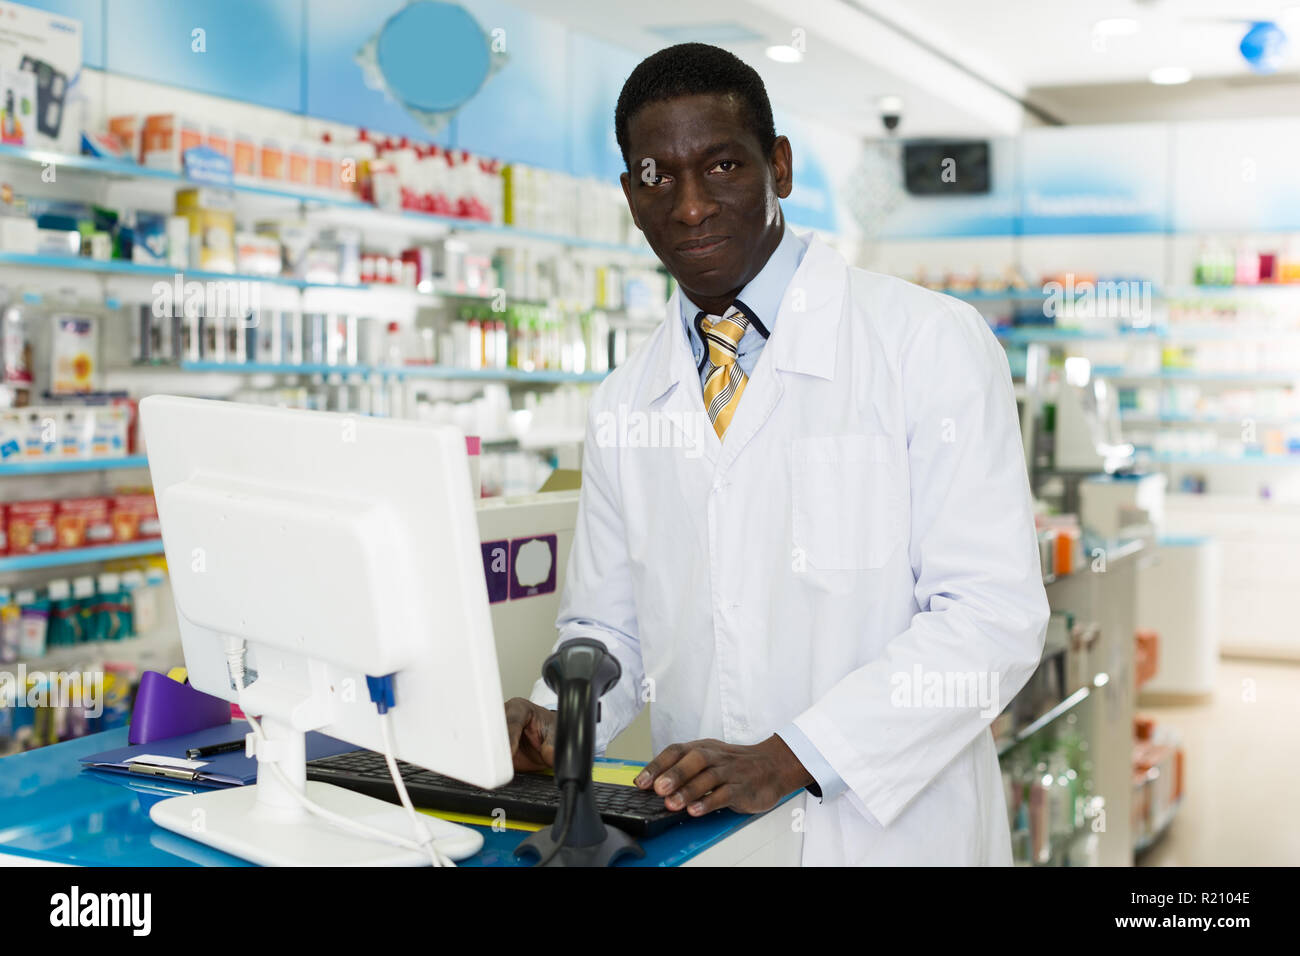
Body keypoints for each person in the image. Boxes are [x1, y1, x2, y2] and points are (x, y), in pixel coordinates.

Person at [504, 42, 1049, 866]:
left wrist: (790, 756)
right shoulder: (627, 398)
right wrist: (558, 720)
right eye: (657, 176)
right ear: (629, 194)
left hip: (887, 838)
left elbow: (990, 619)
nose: (689, 207)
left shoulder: (925, 342)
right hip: (706, 837)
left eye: (722, 165)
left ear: (779, 168)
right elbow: (606, 621)